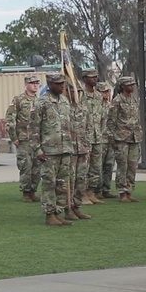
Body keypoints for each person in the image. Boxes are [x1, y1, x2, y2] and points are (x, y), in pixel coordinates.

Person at [29, 73, 74, 226]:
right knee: (49, 183)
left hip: (65, 148)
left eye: (63, 83)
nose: (62, 86)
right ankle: (49, 214)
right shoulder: (41, 103)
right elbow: (33, 129)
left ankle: (58, 212)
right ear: (50, 84)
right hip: (48, 151)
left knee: (62, 184)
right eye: (58, 83)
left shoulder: (65, 101)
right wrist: (38, 150)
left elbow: (69, 125)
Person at [6, 75, 42, 202]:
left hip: (37, 139)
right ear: (26, 84)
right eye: (32, 83)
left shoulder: (40, 100)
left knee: (37, 167)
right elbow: (10, 119)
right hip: (24, 138)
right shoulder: (19, 100)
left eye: (37, 83)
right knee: (26, 166)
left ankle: (33, 190)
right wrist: (14, 137)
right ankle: (26, 192)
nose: (35, 85)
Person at [107, 76, 142, 203]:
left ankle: (129, 190)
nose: (132, 86)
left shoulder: (134, 100)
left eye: (133, 84)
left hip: (134, 138)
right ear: (123, 86)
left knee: (132, 166)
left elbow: (137, 119)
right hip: (121, 138)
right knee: (123, 166)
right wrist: (112, 140)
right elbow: (111, 122)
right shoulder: (117, 101)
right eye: (129, 85)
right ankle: (122, 192)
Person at [66, 83, 92, 221]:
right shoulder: (64, 108)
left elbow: (88, 128)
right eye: (74, 91)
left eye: (79, 92)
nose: (77, 94)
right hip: (69, 149)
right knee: (69, 181)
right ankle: (67, 208)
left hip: (82, 149)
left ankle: (77, 207)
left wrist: (88, 147)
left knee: (81, 180)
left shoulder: (83, 108)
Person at [80, 69, 106, 205]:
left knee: (95, 167)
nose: (95, 79)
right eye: (92, 77)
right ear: (85, 79)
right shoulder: (80, 95)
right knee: (84, 166)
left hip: (97, 136)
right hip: (85, 137)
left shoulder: (98, 96)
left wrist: (101, 132)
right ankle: (82, 194)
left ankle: (91, 192)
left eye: (96, 77)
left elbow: (102, 117)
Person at [90, 82, 115, 200]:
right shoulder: (95, 106)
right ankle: (97, 190)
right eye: (104, 91)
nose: (107, 94)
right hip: (99, 139)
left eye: (108, 91)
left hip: (109, 138)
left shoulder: (110, 106)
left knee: (109, 165)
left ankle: (106, 188)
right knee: (97, 166)